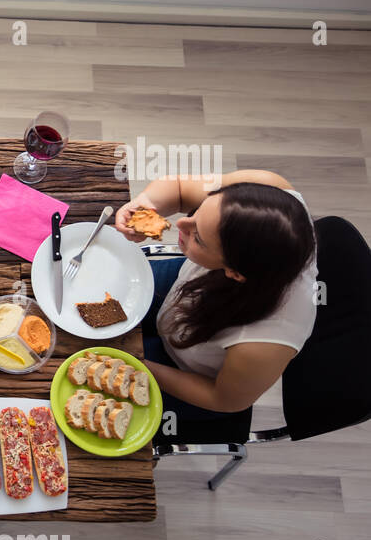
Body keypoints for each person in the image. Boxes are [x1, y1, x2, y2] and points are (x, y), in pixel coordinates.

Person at [115, 169, 317, 421]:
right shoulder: (269, 189)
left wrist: (139, 366)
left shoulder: (262, 344)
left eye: (197, 237)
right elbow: (178, 188)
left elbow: (223, 399)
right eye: (198, 212)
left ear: (234, 272)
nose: (179, 224)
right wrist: (147, 204)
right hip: (183, 290)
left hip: (183, 372)